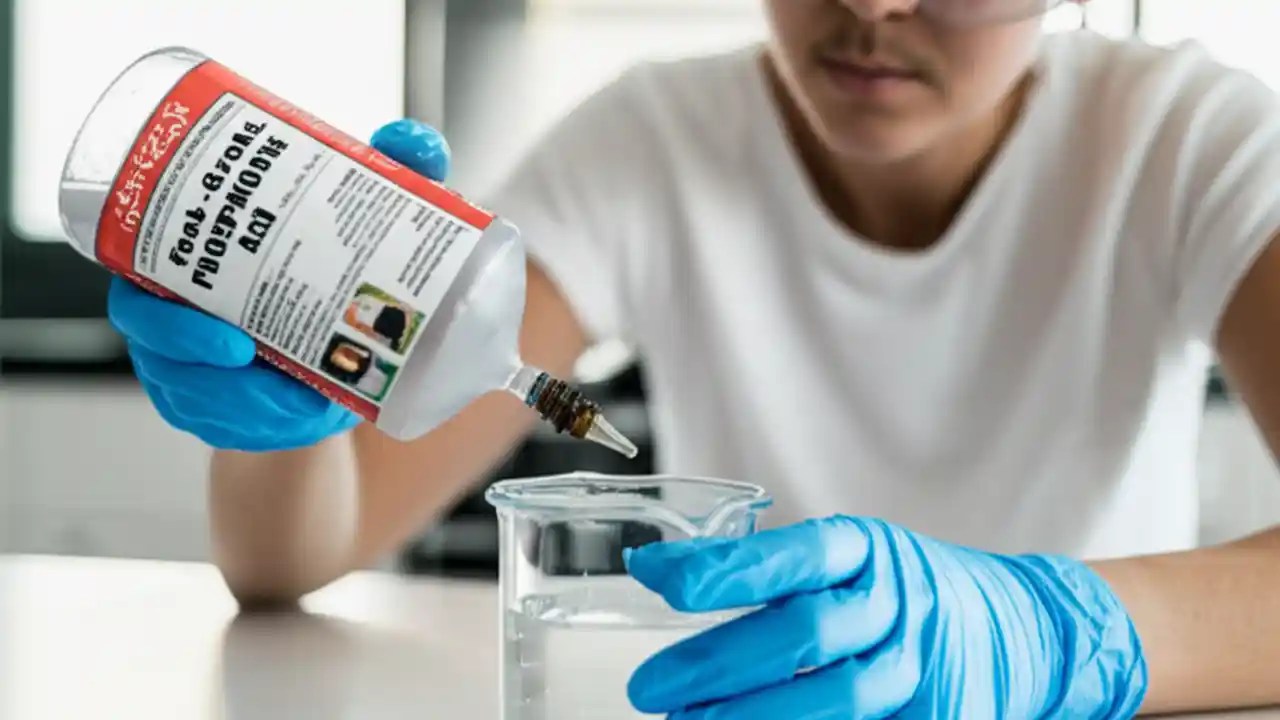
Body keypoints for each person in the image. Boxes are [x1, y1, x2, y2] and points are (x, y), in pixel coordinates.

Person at [106, 0, 1280, 716]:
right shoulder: (651, 139)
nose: (870, 4)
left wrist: (1053, 638)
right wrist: (294, 385)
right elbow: (290, 559)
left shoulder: (1187, 137)